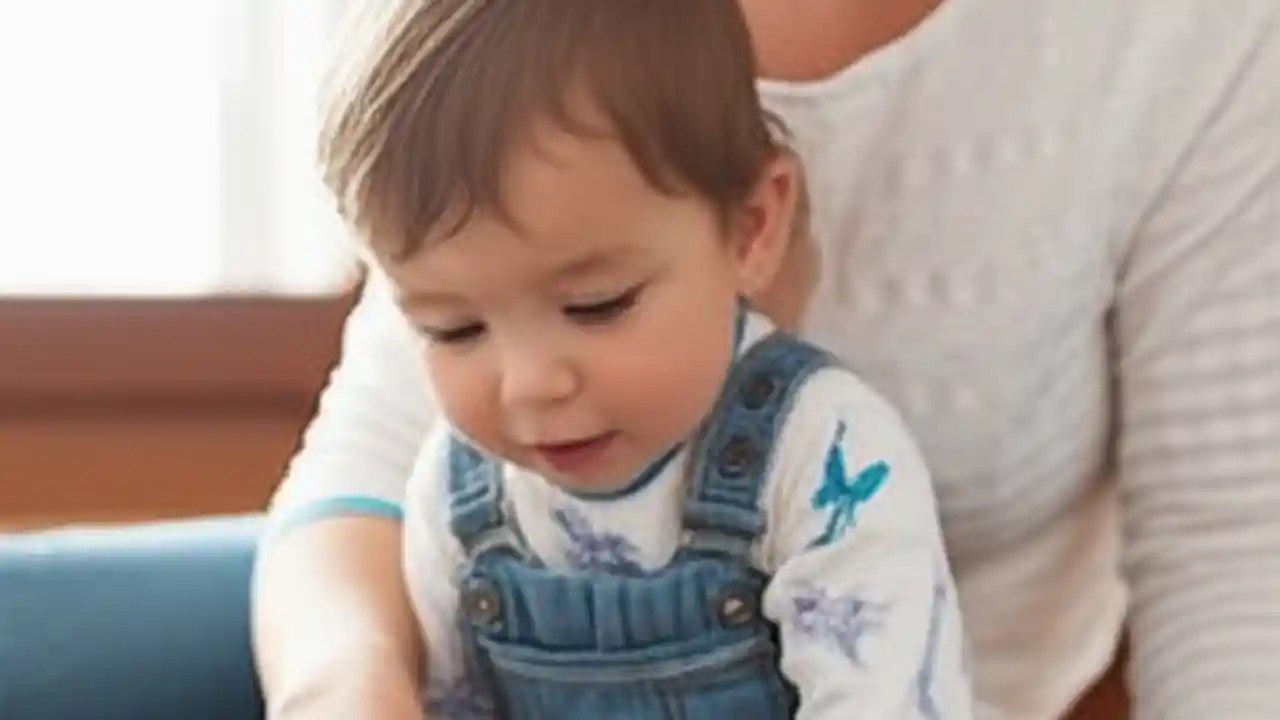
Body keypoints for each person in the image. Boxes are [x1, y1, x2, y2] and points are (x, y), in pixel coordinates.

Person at [307, 2, 972, 718]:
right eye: (455, 328)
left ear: (750, 230)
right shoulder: (456, 490)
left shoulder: (824, 455)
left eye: (597, 305)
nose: (531, 386)